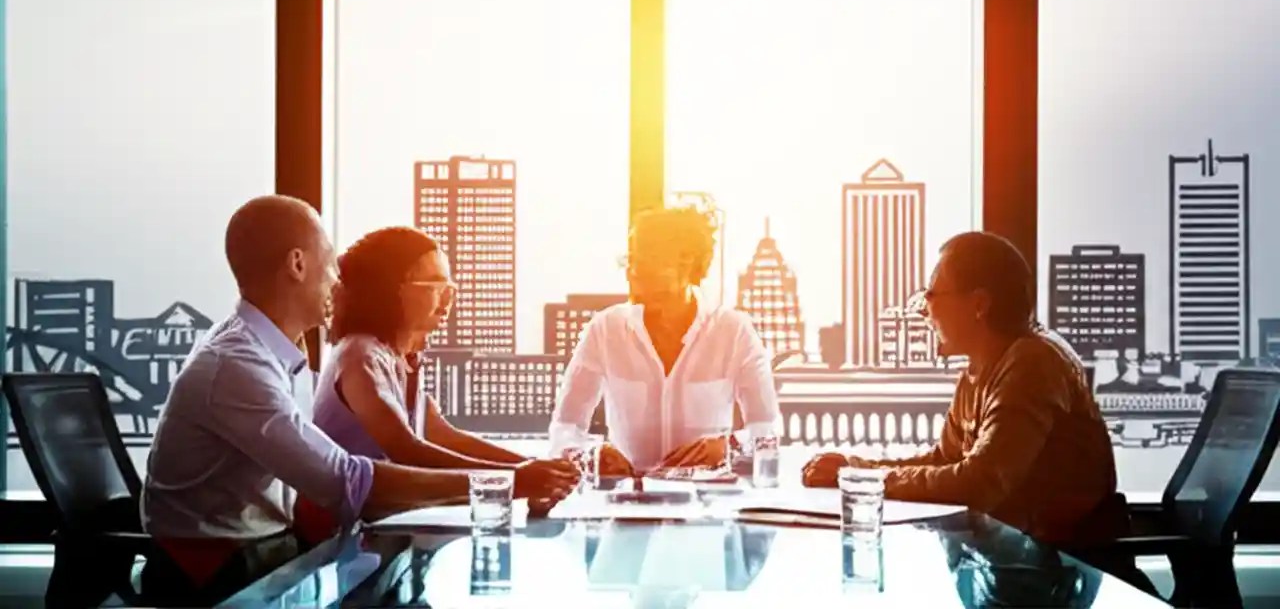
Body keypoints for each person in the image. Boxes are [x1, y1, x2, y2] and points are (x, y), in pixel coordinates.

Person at [141, 196, 476, 604]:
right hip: (222, 573)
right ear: (297, 265)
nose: (338, 279)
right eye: (331, 262)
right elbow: (344, 480)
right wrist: (496, 487)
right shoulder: (235, 365)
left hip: (268, 551)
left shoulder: (277, 356)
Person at [802, 231, 1120, 545]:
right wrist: (857, 468)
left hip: (1056, 572)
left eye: (932, 295)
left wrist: (867, 479)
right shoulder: (981, 366)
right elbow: (945, 460)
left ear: (979, 304)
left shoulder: (1031, 364)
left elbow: (979, 482)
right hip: (1010, 555)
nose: (925, 311)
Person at [311, 226, 578, 517]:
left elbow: (445, 436)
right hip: (342, 539)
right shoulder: (360, 355)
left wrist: (538, 469)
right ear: (392, 288)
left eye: (450, 288)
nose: (448, 299)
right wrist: (519, 477)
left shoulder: (398, 359)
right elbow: (407, 450)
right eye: (436, 286)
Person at [549, 205, 781, 476]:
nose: (631, 272)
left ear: (687, 262)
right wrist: (590, 455)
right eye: (630, 260)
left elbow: (768, 430)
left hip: (706, 503)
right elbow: (565, 429)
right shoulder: (605, 330)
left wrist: (728, 447)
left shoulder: (734, 331)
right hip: (628, 500)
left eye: (645, 261)